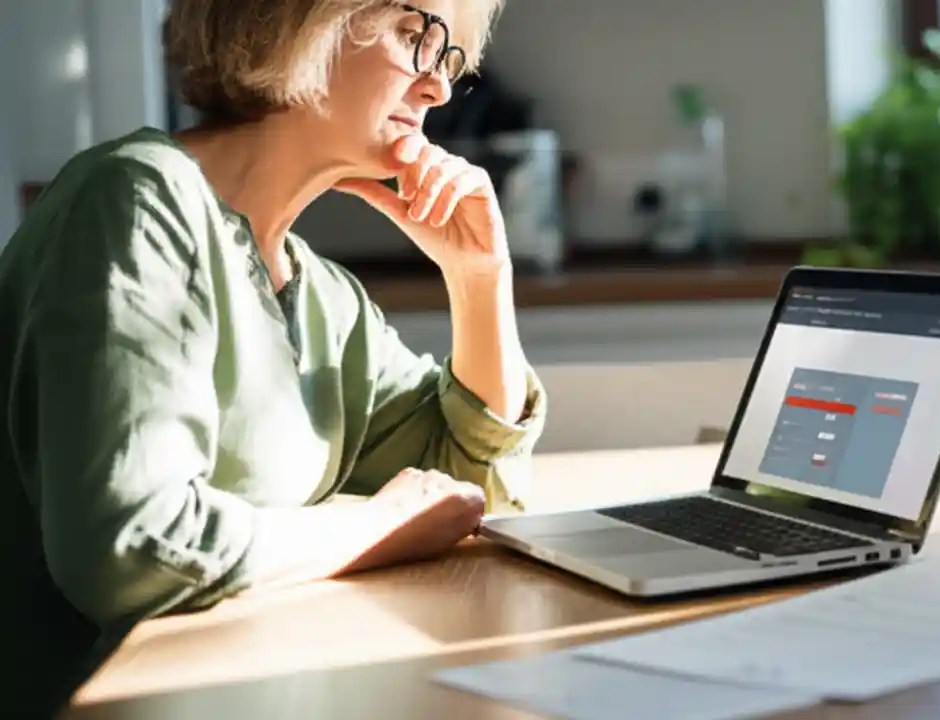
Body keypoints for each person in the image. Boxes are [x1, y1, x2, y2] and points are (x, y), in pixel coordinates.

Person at [0, 0, 544, 713]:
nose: (438, 87)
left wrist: (479, 282)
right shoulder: (133, 203)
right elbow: (132, 548)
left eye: (448, 60)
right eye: (416, 36)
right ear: (296, 21)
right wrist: (372, 523)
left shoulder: (322, 295)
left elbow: (473, 489)